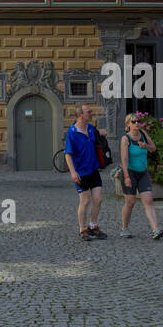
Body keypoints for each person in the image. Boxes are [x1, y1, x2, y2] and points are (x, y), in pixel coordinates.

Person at [64, 102, 108, 241]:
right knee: (85, 200)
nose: (91, 113)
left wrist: (101, 132)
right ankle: (82, 229)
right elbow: (68, 154)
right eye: (88, 112)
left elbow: (97, 135)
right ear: (80, 115)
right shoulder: (72, 133)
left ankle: (93, 226)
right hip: (80, 172)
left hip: (93, 169)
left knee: (98, 198)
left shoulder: (90, 128)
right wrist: (72, 172)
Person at [119, 114, 163, 240]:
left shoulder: (143, 134)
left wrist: (146, 146)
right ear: (128, 124)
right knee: (130, 202)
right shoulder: (125, 139)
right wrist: (127, 177)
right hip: (129, 172)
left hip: (143, 172)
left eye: (138, 121)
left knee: (149, 200)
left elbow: (153, 148)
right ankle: (124, 228)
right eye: (133, 121)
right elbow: (124, 159)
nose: (136, 124)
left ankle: (155, 229)